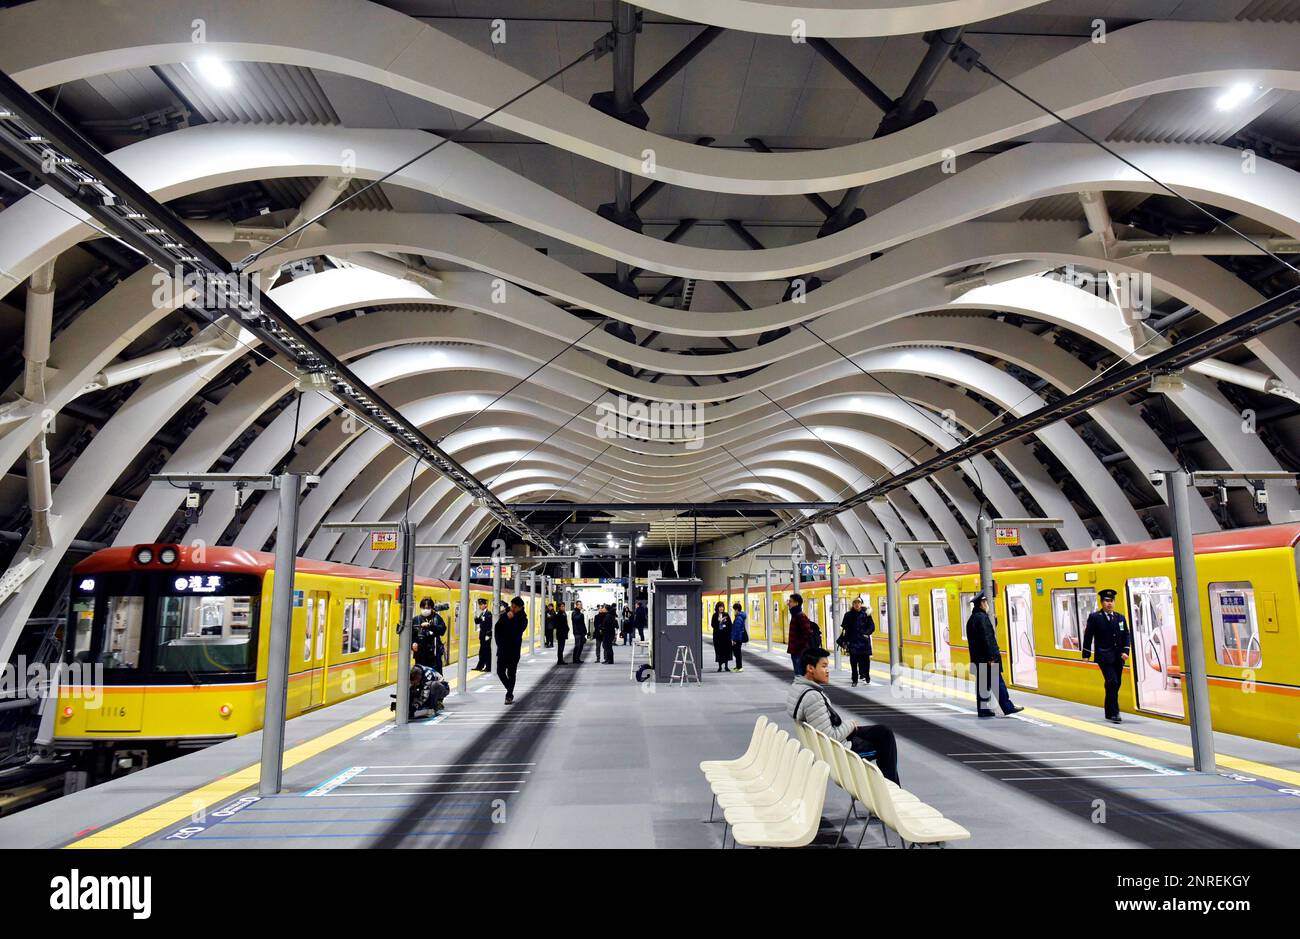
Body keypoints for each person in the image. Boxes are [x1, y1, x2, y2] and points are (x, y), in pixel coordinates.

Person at [788, 647, 900, 785]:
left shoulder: (800, 688)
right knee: (886, 746)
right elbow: (829, 735)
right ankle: (891, 792)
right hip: (840, 752)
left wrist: (849, 725)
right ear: (810, 668)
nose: (828, 670)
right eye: (824, 666)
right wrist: (850, 725)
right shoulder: (812, 697)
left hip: (833, 744)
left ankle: (891, 789)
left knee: (883, 732)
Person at [965, 592, 1023, 717]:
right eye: (985, 602)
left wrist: (993, 620)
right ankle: (1008, 707)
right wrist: (991, 658)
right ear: (981, 603)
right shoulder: (982, 618)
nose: (987, 604)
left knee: (983, 686)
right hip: (987, 660)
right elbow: (987, 638)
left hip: (978, 659)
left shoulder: (972, 619)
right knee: (998, 684)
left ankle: (983, 710)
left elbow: (981, 635)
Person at [1082, 588, 1131, 723]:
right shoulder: (1095, 617)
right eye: (1107, 601)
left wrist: (1126, 651)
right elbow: (1088, 635)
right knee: (1112, 682)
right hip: (1104, 656)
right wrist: (1086, 654)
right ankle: (1115, 713)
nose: (1109, 603)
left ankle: (1108, 711)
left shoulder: (1120, 618)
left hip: (1118, 657)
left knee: (1115, 683)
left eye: (1112, 601)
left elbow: (1126, 635)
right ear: (1102, 602)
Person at [495, 596, 528, 704]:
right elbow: (497, 628)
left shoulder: (523, 619)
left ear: (520, 607)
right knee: (500, 671)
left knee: (511, 673)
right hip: (503, 649)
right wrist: (499, 643)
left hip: (513, 650)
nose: (512, 609)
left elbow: (516, 631)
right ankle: (510, 689)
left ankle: (509, 695)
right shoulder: (505, 615)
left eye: (515, 607)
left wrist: (510, 619)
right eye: (512, 606)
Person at [837, 596, 875, 686]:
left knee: (866, 661)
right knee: (853, 662)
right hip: (853, 642)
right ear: (852, 604)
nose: (857, 604)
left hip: (864, 642)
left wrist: (866, 633)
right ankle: (855, 679)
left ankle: (867, 675)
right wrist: (845, 642)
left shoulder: (866, 614)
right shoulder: (848, 615)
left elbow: (872, 626)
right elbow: (845, 629)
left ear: (861, 604)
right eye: (855, 603)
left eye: (858, 603)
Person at [410, 597, 447, 676]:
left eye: (428, 608)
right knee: (420, 675)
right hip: (420, 654)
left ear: (431, 608)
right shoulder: (416, 619)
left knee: (436, 675)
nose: (425, 610)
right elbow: (410, 636)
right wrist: (412, 644)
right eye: (423, 608)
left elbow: (442, 630)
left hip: (434, 654)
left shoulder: (437, 618)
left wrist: (430, 626)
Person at [785, 593, 816, 677]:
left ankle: (803, 689)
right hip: (796, 650)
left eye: (790, 601)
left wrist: (799, 645)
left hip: (799, 651)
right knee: (798, 674)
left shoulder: (800, 616)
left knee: (800, 675)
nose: (788, 603)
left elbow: (807, 632)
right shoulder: (795, 615)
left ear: (796, 603)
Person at [710, 602, 732, 673]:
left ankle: (726, 666)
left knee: (726, 651)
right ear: (717, 608)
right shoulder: (714, 615)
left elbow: (730, 625)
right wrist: (719, 622)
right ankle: (719, 666)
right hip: (717, 637)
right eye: (720, 607)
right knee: (719, 651)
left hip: (725, 636)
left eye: (722, 607)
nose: (721, 608)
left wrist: (725, 625)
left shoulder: (726, 615)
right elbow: (712, 625)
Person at [473, 597, 493, 671]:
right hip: (482, 635)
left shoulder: (488, 614)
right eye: (479, 605)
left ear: (485, 605)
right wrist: (475, 617)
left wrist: (488, 635)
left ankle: (488, 667)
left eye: (481, 605)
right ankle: (480, 666)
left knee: (487, 651)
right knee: (482, 651)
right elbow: (478, 622)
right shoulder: (482, 614)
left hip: (487, 635)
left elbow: (489, 624)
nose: (480, 606)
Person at [730, 601, 749, 672]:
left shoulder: (738, 618)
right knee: (737, 652)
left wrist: (734, 639)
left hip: (737, 638)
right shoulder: (739, 617)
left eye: (734, 610)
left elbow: (737, 630)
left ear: (737, 610)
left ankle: (739, 667)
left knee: (737, 653)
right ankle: (738, 666)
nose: (733, 611)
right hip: (738, 638)